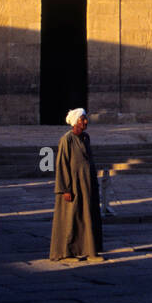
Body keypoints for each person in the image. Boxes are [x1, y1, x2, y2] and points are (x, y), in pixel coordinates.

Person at [49, 108, 104, 263]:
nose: (85, 122)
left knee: (88, 217)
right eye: (82, 119)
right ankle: (67, 252)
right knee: (70, 219)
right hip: (72, 186)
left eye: (85, 119)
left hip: (87, 185)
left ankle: (90, 250)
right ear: (75, 122)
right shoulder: (66, 140)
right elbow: (62, 165)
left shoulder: (86, 138)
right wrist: (64, 189)